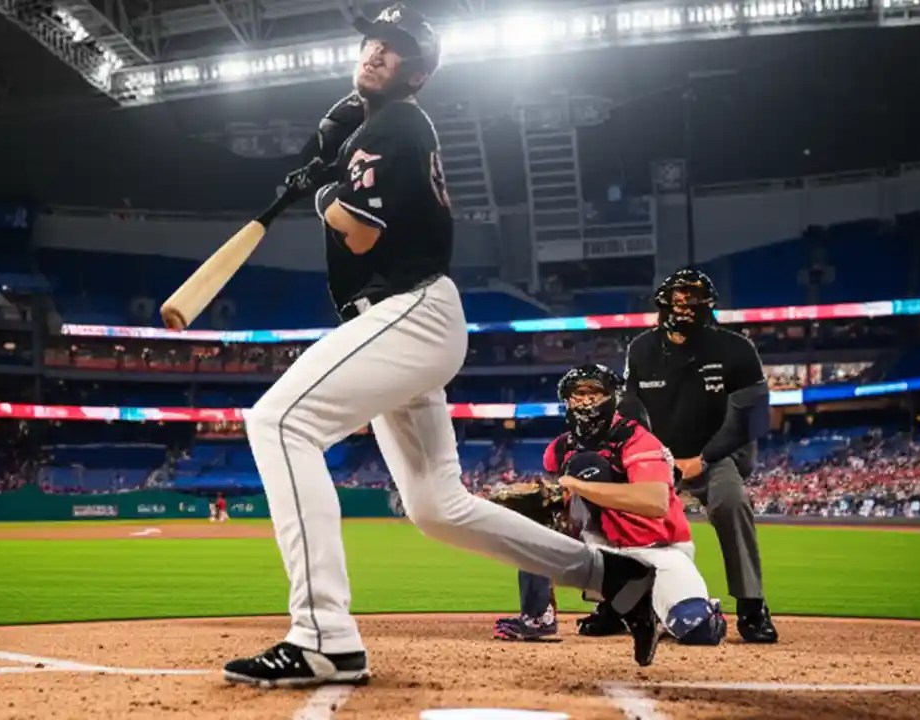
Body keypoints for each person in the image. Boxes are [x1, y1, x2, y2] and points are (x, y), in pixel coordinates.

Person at [220, 4, 659, 689]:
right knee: (437, 508)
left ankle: (323, 636)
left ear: (417, 72)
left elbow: (359, 232)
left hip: (410, 310)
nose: (375, 53)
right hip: (405, 320)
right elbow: (352, 201)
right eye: (372, 42)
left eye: (393, 49)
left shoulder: (396, 123)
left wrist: (320, 191)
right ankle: (615, 576)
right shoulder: (379, 129)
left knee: (278, 421)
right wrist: (328, 172)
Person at [495, 365, 726, 648]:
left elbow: (655, 503)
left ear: (612, 397)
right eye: (578, 393)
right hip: (600, 548)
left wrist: (578, 485)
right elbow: (562, 508)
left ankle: (648, 608)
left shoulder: (636, 439)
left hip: (653, 549)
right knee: (536, 517)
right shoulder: (558, 449)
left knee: (698, 631)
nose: (586, 400)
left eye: (596, 392)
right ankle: (538, 616)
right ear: (567, 400)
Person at [615, 268, 779, 643]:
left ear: (708, 307)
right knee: (619, 508)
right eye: (679, 299)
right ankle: (616, 605)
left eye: (694, 300)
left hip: (717, 454)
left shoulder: (736, 348)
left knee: (731, 501)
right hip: (660, 457)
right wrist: (644, 457)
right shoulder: (641, 348)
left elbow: (748, 419)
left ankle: (753, 608)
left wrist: (702, 459)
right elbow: (630, 407)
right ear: (664, 305)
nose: (686, 307)